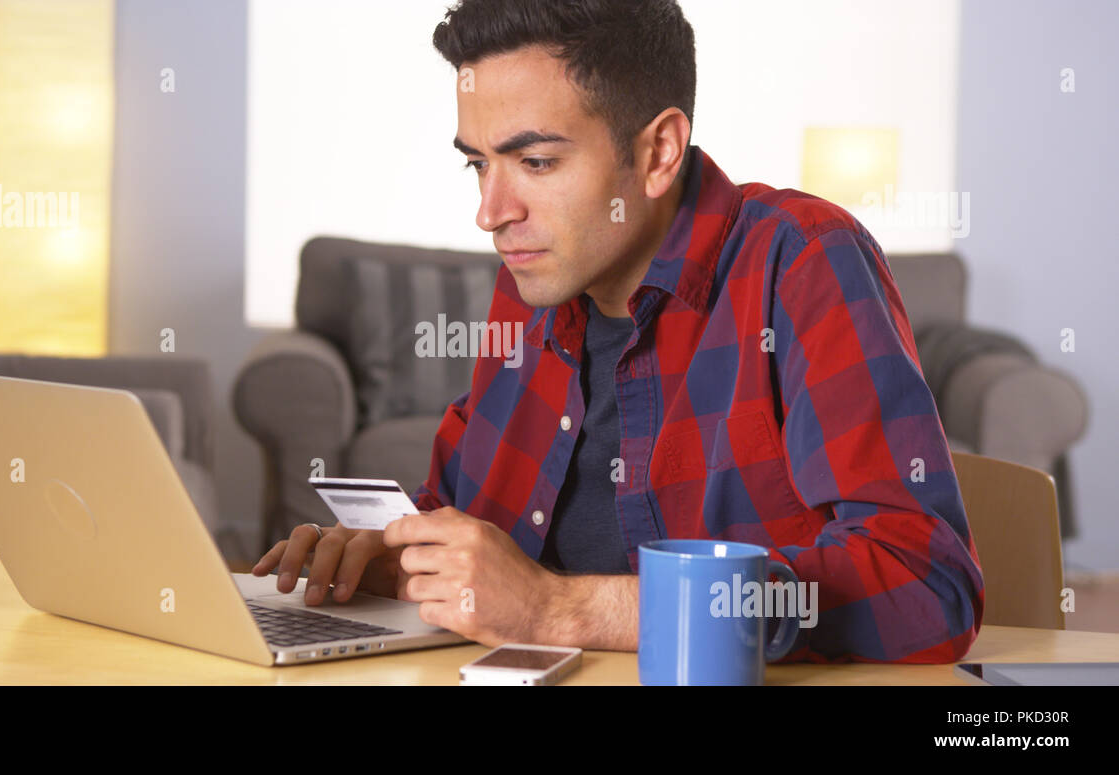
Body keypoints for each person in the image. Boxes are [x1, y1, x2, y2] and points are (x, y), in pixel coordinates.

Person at [253, 0, 984, 663]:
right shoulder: (531, 284)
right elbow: (464, 518)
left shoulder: (801, 259)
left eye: (535, 161)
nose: (492, 211)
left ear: (659, 151)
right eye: (479, 164)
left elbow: (927, 585)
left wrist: (558, 608)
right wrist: (394, 556)